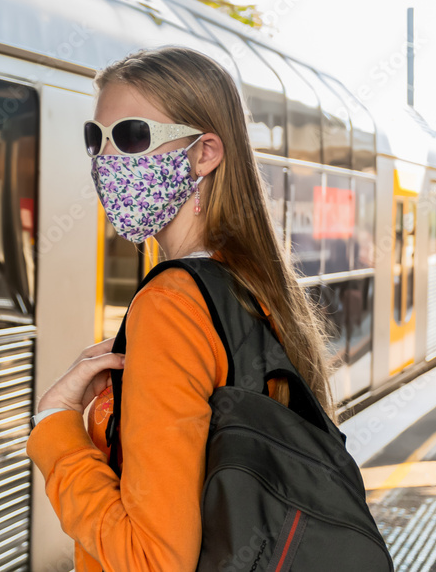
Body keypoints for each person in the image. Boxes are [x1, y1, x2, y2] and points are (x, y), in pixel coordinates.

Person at [25, 46, 334, 572]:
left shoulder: (170, 304)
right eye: (96, 138)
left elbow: (153, 560)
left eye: (132, 136)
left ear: (204, 153)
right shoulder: (251, 284)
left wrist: (56, 424)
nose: (105, 159)